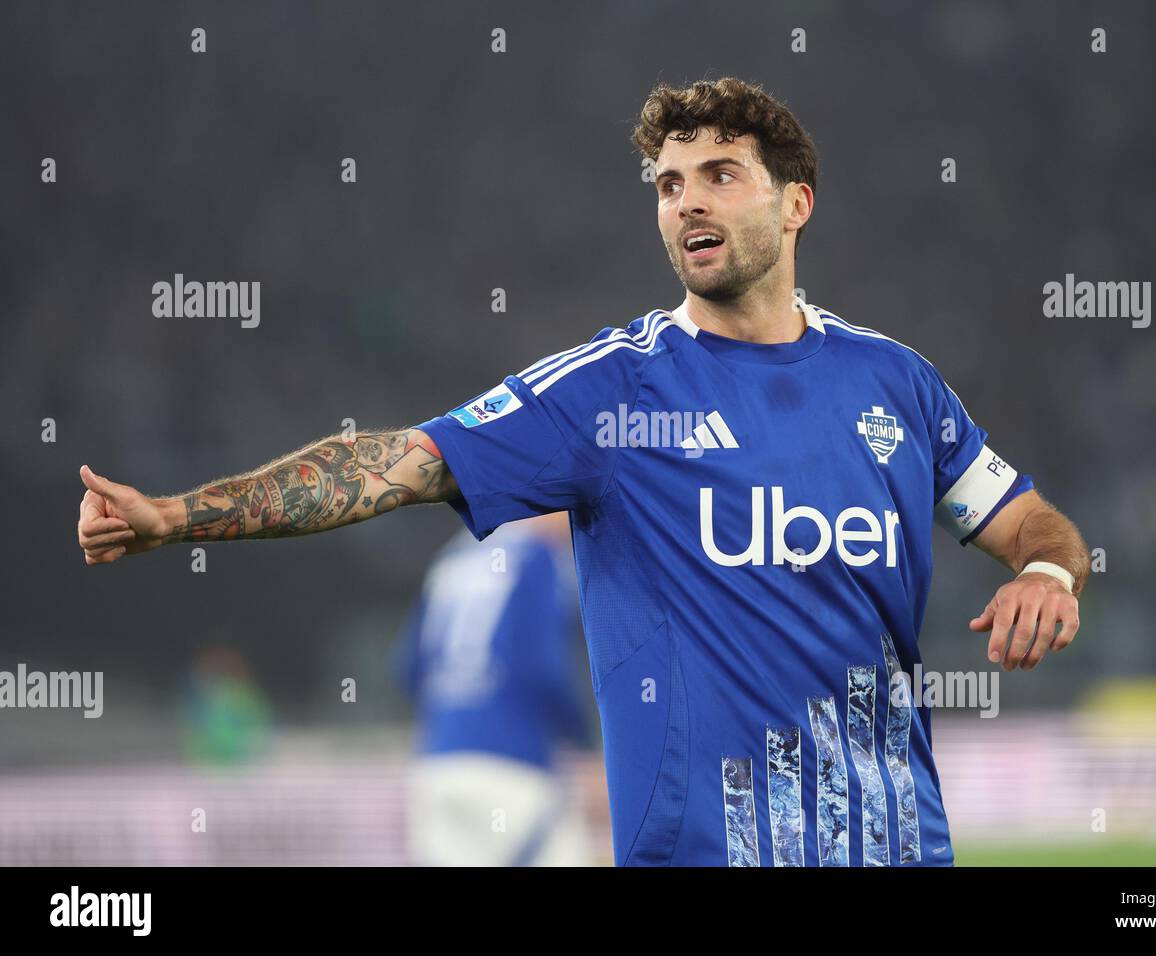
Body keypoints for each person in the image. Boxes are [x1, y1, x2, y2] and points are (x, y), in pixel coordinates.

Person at [76, 76, 1089, 866]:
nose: (686, 202)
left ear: (795, 204)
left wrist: (1045, 572)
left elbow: (1034, 522)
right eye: (667, 184)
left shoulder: (896, 385)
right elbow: (392, 462)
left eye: (718, 175)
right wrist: (177, 513)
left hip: (895, 842)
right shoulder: (610, 392)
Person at [395, 512, 594, 866]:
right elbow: (547, 669)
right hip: (514, 771)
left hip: (438, 768)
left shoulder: (452, 556)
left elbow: (407, 669)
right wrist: (589, 744)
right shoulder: (536, 555)